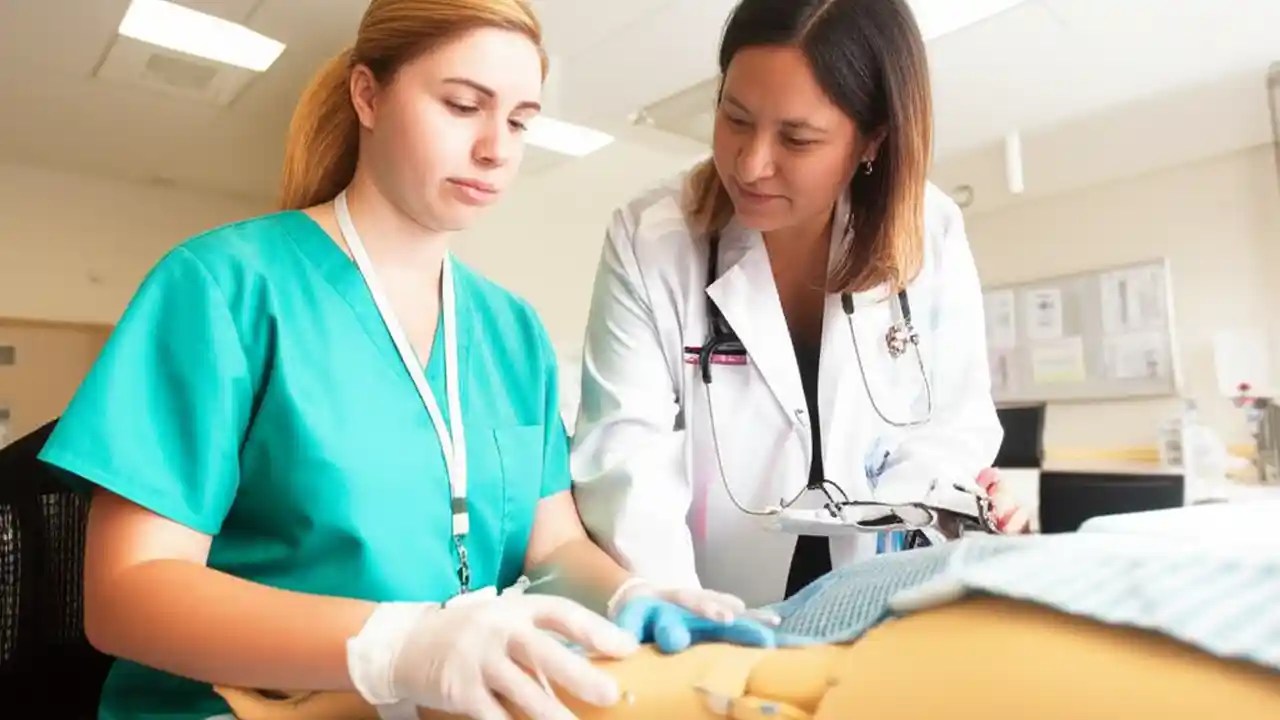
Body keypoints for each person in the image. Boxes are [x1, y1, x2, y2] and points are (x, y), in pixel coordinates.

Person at [36, 2, 772, 719]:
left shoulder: (510, 330)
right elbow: (127, 592)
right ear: (367, 94)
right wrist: (394, 644)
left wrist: (630, 594)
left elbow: (553, 543)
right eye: (462, 106)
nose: (497, 149)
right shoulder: (223, 287)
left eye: (519, 121)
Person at [570, 0, 1030, 611]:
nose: (751, 164)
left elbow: (954, 422)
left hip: (888, 592)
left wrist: (946, 500)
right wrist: (671, 603)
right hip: (709, 596)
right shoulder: (651, 237)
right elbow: (623, 455)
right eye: (734, 119)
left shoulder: (929, 230)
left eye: (797, 138)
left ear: (873, 139)